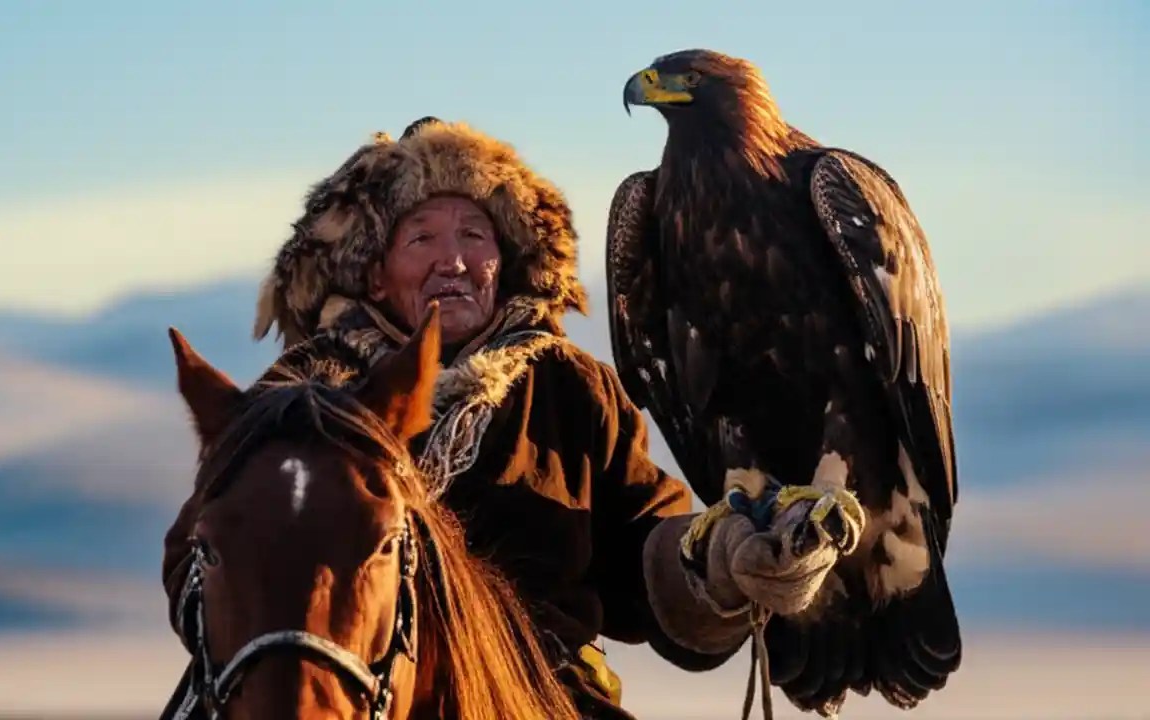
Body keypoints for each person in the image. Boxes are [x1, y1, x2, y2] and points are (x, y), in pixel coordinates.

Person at [165, 117, 847, 718]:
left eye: (475, 235)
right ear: (375, 273)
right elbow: (200, 549)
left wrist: (716, 560)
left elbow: (639, 546)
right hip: (322, 691)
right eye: (421, 238)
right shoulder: (304, 394)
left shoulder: (568, 386)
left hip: (542, 692)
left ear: (505, 260)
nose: (453, 259)